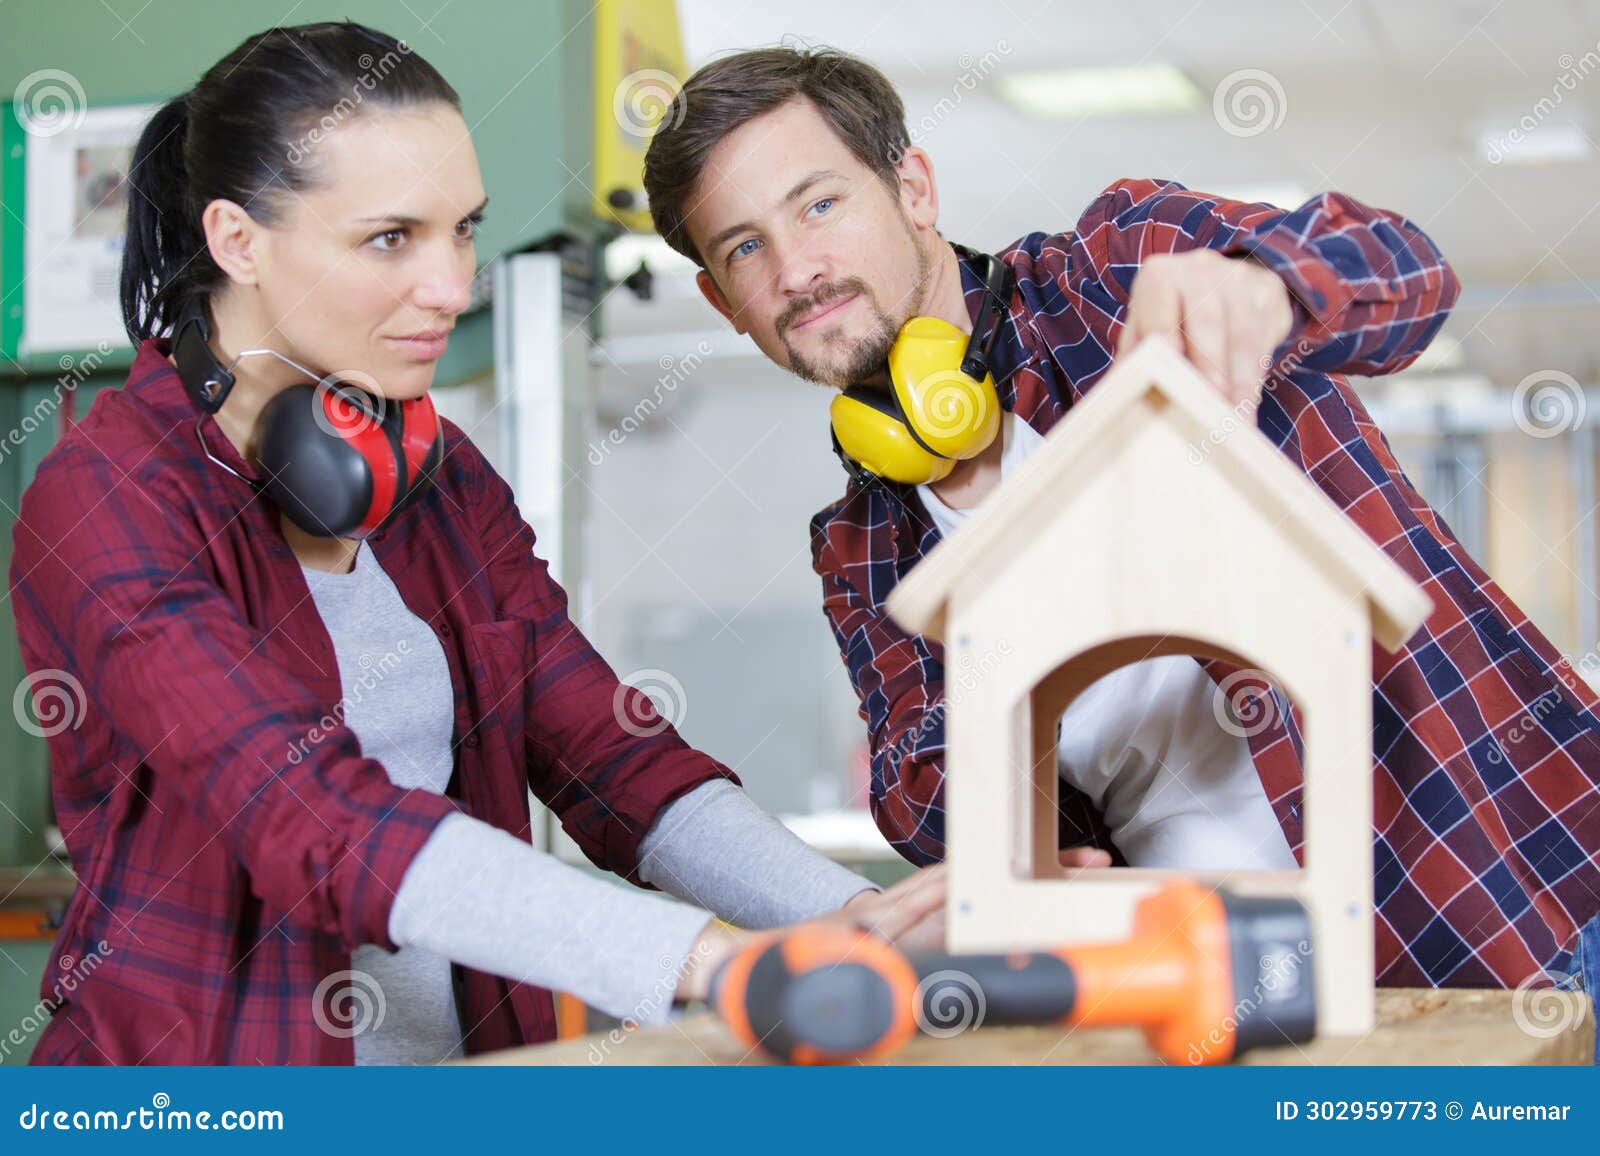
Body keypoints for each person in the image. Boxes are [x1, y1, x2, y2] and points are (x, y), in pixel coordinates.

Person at [7, 23, 943, 1066]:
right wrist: (718, 963)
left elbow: (607, 752)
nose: (453, 284)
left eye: (463, 230)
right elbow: (308, 817)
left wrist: (854, 915)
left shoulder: (438, 476)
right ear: (238, 241)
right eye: (390, 238)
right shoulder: (107, 501)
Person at [641, 46, 1600, 1010]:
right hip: (1226, 996)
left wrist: (1269, 290)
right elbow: (928, 813)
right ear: (725, 304)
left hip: (1503, 911)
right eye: (744, 247)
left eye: (820, 205)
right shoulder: (858, 547)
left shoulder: (1112, 273)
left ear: (915, 189)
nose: (799, 268)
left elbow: (1409, 270)